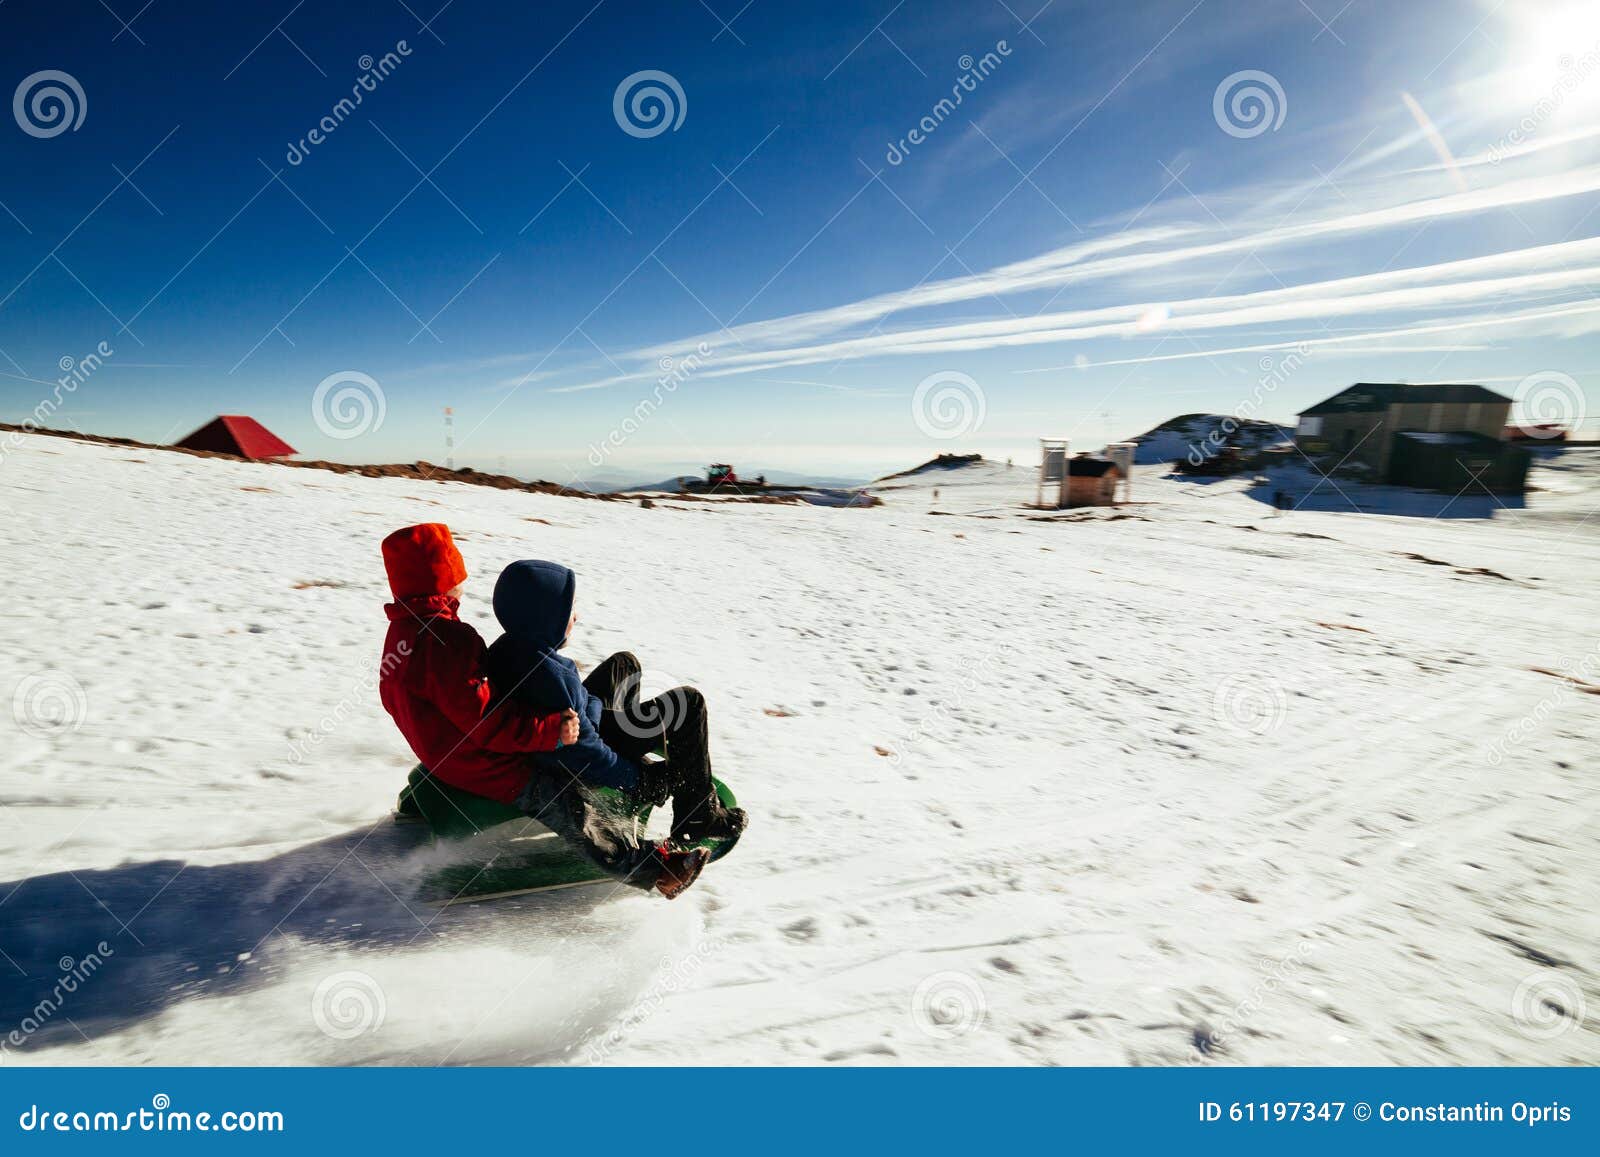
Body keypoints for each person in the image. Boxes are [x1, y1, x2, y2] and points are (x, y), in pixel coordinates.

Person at [377, 525, 708, 899]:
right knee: (568, 806)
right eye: (456, 573)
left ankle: (416, 803)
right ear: (442, 579)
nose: (463, 582)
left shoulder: (402, 636)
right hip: (491, 766)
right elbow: (484, 722)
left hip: (444, 756)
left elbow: (404, 701)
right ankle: (655, 870)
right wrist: (550, 731)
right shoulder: (448, 641)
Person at [485, 559, 748, 850]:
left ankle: (629, 760)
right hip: (582, 762)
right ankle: (697, 818)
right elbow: (583, 752)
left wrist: (593, 706)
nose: (576, 616)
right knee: (689, 704)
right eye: (568, 610)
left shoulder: (509, 648)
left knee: (624, 664)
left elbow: (580, 709)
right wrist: (638, 779)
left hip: (579, 730)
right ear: (546, 618)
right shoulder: (551, 678)